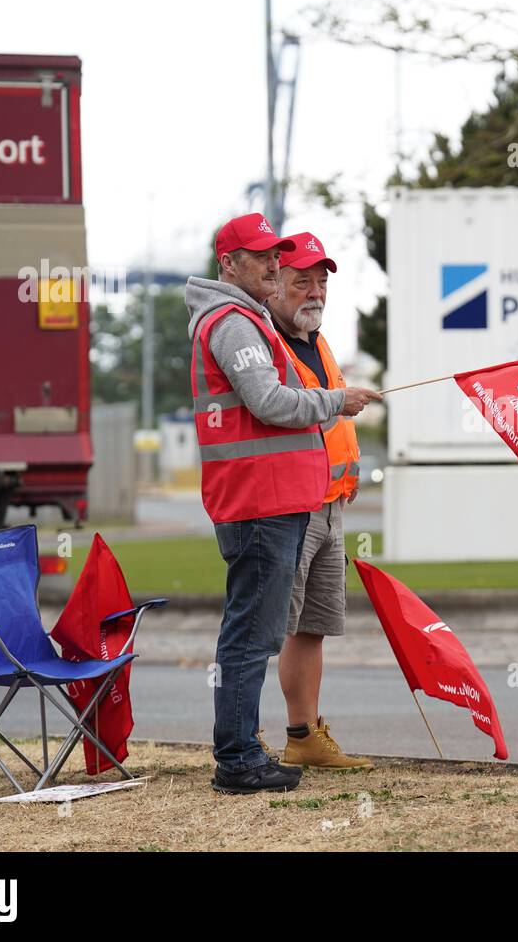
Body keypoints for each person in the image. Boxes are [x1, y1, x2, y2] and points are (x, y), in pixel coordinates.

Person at [185, 213, 381, 793]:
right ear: (229, 264)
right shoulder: (232, 322)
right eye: (261, 256)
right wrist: (335, 401)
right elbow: (270, 401)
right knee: (251, 635)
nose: (273, 264)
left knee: (260, 632)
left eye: (276, 254)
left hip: (275, 499)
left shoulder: (244, 318)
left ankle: (246, 751)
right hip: (259, 501)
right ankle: (239, 760)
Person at [263, 232, 372, 769]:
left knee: (312, 626)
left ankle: (304, 736)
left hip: (329, 504)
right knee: (269, 625)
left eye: (321, 282)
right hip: (290, 505)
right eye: (301, 280)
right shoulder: (265, 341)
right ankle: (240, 741)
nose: (314, 292)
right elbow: (279, 408)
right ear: (274, 282)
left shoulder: (316, 339)